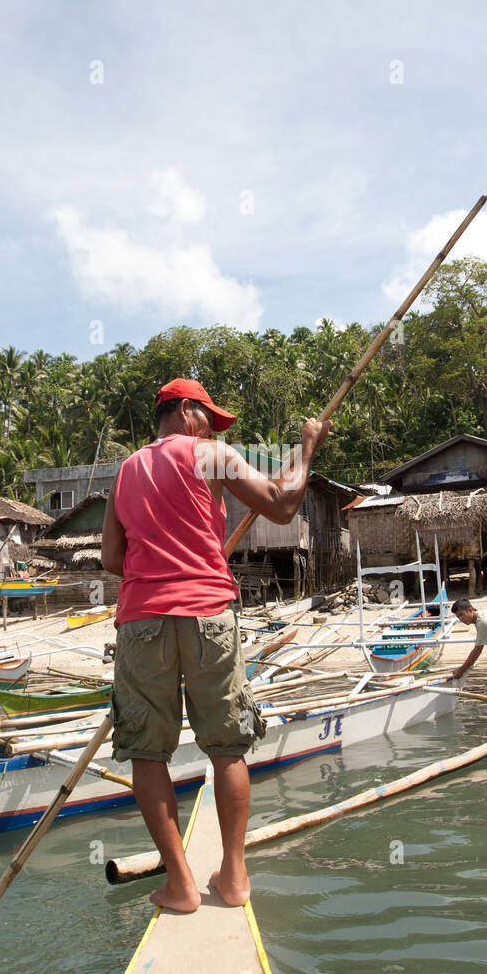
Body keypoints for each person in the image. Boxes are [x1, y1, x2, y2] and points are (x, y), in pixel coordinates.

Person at [102, 377, 331, 914]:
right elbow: (282, 503)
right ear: (185, 411)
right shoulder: (211, 456)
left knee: (146, 753)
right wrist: (307, 447)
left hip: (141, 622)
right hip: (207, 612)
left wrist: (159, 556)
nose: (212, 429)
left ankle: (180, 885)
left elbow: (113, 559)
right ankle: (233, 877)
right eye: (208, 417)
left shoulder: (126, 471)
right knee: (227, 746)